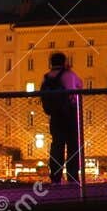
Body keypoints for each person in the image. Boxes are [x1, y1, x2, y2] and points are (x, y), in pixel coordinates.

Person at [39, 52, 84, 184]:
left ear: (51, 63)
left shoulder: (46, 77)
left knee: (57, 146)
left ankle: (56, 177)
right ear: (64, 62)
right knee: (73, 147)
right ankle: (72, 176)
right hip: (69, 115)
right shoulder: (68, 75)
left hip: (55, 116)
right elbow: (79, 85)